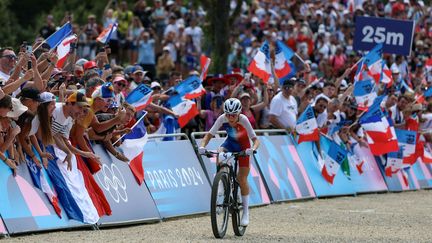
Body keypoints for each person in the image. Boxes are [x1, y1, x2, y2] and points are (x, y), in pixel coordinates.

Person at [198, 98, 260, 227]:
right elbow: (208, 135)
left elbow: (255, 140)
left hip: (244, 147)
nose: (230, 118)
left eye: (233, 115)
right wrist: (202, 146)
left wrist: (252, 150)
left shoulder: (244, 120)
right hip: (230, 144)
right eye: (228, 115)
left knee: (241, 179)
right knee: (219, 151)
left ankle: (246, 213)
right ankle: (221, 181)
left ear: (238, 113)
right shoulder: (222, 118)